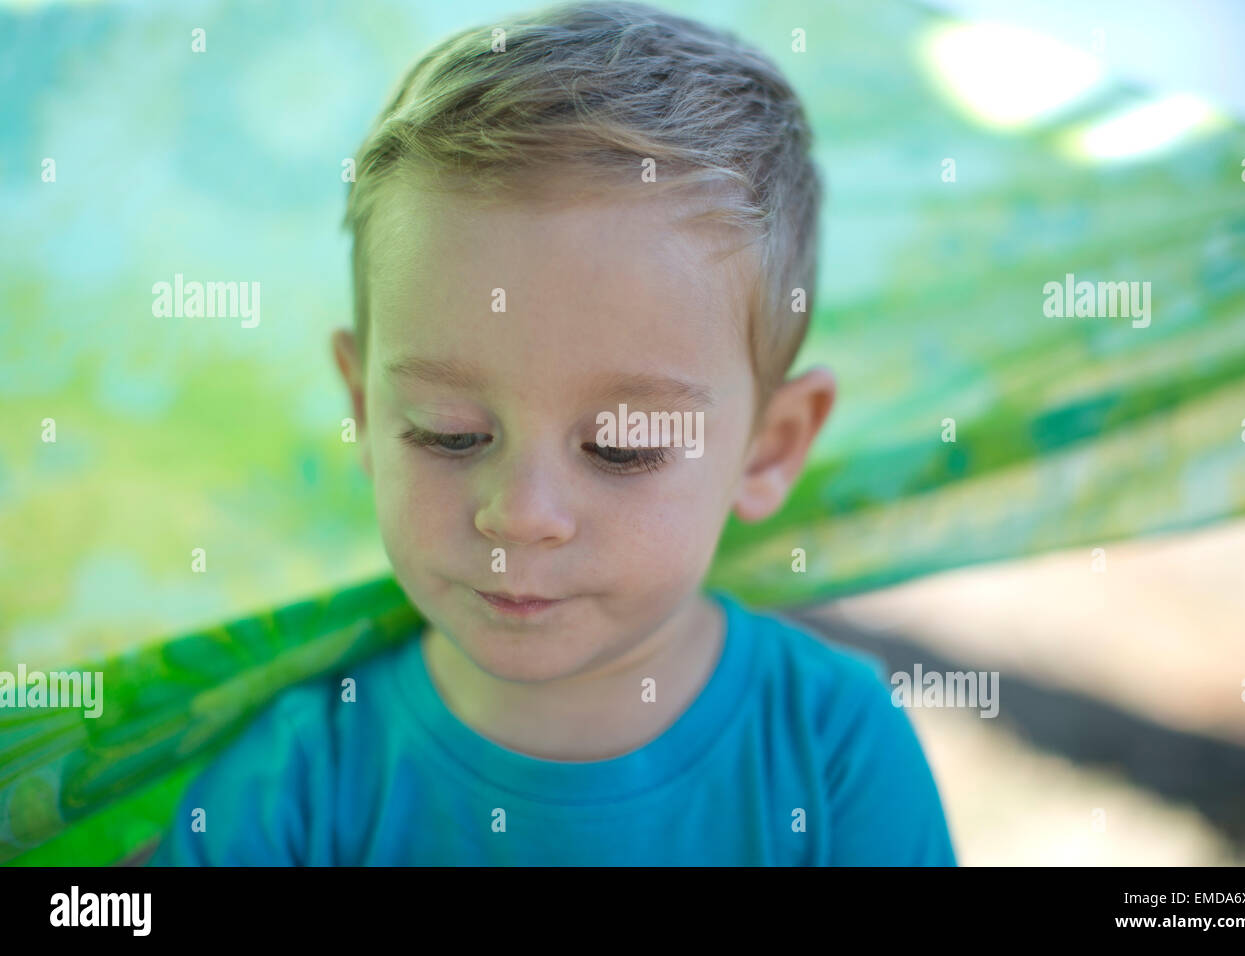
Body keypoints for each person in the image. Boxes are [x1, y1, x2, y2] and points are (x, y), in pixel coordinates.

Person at [151, 0, 956, 866]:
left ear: (770, 448)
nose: (521, 514)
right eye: (447, 433)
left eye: (622, 445)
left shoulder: (833, 753)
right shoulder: (297, 782)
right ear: (363, 409)